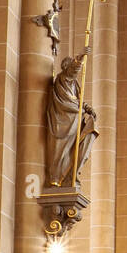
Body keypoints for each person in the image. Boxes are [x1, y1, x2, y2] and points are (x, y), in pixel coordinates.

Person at [46, 49, 97, 186]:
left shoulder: (73, 84)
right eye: (71, 69)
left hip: (75, 119)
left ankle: (71, 174)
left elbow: (78, 100)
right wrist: (79, 59)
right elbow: (73, 71)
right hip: (65, 121)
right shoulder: (63, 79)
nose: (75, 73)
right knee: (62, 150)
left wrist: (87, 108)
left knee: (84, 139)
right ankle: (57, 177)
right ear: (66, 68)